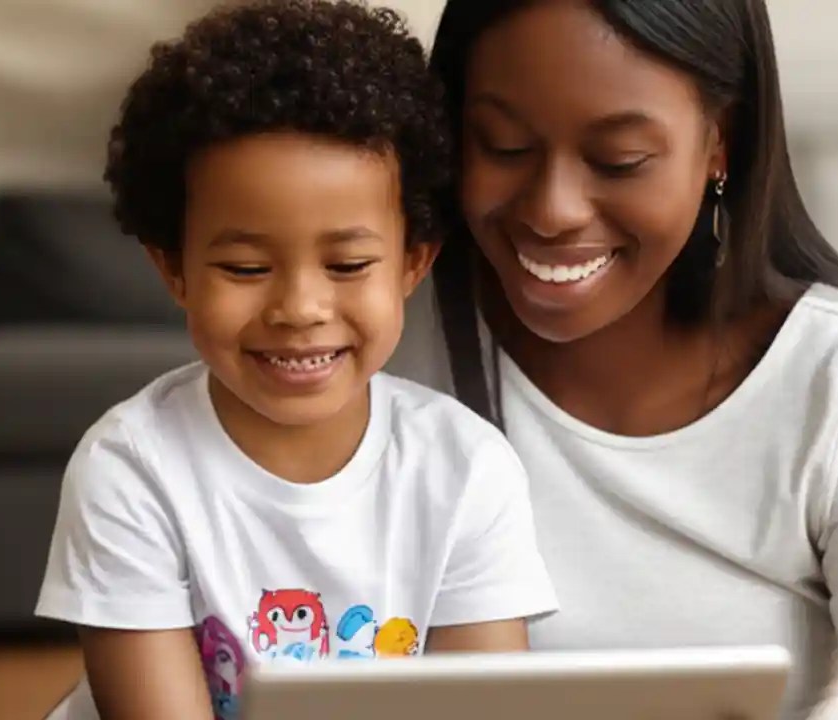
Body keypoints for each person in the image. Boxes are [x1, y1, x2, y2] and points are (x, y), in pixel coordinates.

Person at [36, 2, 559, 719]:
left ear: (412, 263)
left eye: (347, 264)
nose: (299, 308)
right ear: (174, 268)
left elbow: (485, 707)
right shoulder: (132, 469)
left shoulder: (466, 469)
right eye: (247, 268)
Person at [422, 1, 838, 718]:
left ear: (720, 145)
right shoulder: (362, 351)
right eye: (504, 146)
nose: (553, 210)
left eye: (620, 161)